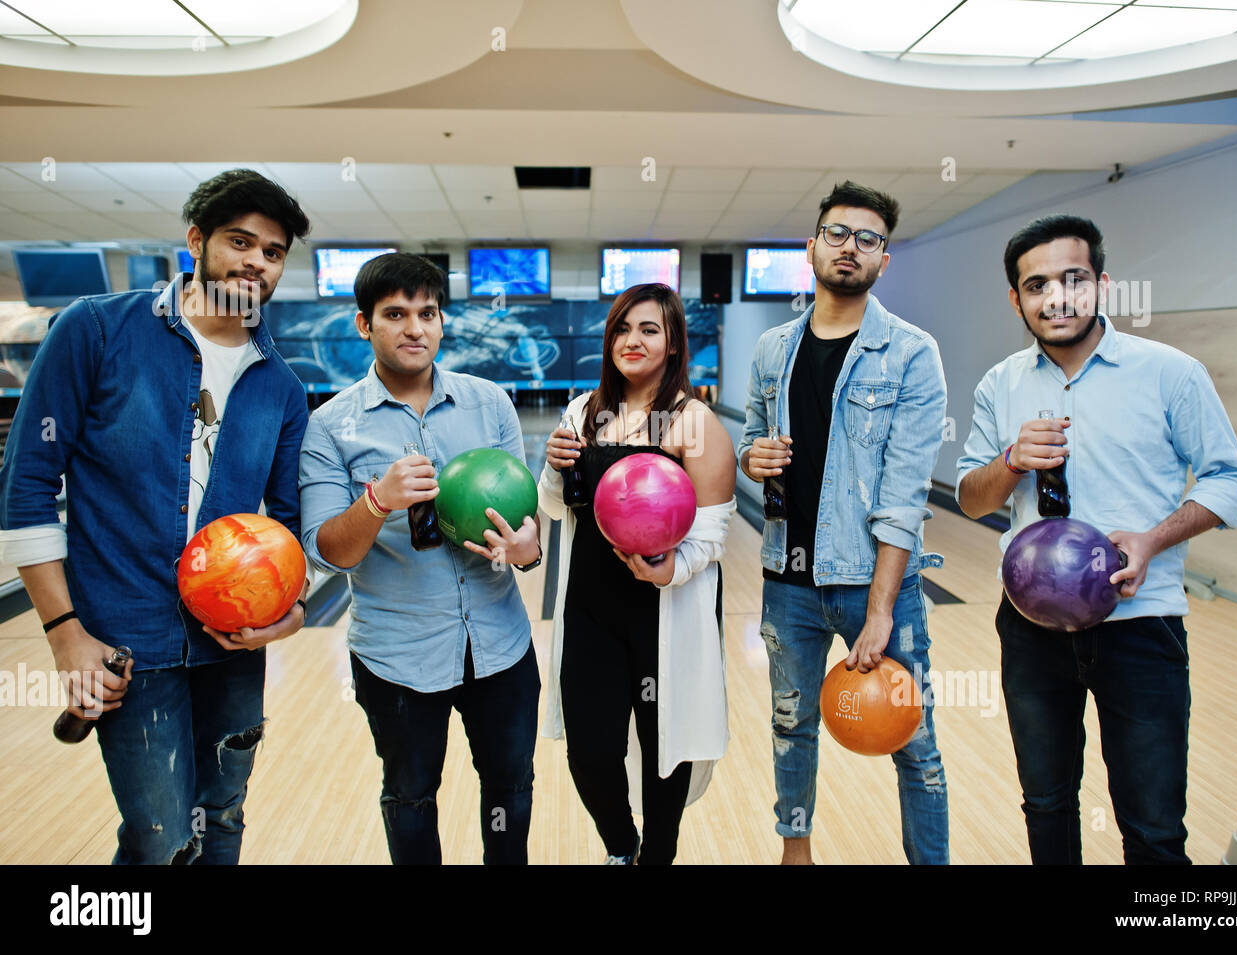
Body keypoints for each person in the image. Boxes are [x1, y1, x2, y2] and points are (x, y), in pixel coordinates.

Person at [0, 168, 312, 864]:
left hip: (232, 647)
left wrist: (289, 615)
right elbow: (26, 485)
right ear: (195, 240)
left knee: (223, 819)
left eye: (273, 251)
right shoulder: (96, 330)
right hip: (126, 644)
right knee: (162, 838)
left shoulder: (282, 388)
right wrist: (64, 634)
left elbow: (288, 525)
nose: (256, 262)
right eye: (240, 241)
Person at [955, 214, 1237, 864]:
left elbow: (1231, 479)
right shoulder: (1000, 384)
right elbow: (971, 498)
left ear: (1102, 284)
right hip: (1032, 629)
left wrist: (1152, 540)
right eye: (1036, 285)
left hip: (1139, 627)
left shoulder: (1170, 373)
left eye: (1073, 279)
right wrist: (1010, 461)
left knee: (1152, 828)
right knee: (1047, 806)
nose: (1056, 297)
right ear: (1016, 299)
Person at [299, 252, 542, 865]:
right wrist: (377, 499)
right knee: (410, 797)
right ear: (364, 324)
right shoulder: (330, 427)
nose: (415, 328)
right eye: (395, 313)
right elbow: (328, 553)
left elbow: (526, 527)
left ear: (442, 321)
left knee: (510, 788)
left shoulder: (490, 404)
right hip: (397, 656)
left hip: (500, 645)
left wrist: (527, 549)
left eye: (427, 313)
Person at [738, 181, 949, 865]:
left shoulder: (912, 353)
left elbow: (904, 492)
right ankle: (795, 852)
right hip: (787, 578)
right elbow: (748, 440)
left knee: (915, 743)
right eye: (837, 232)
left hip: (873, 582)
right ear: (811, 247)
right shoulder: (773, 348)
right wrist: (752, 455)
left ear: (884, 259)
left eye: (868, 238)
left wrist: (882, 610)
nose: (850, 247)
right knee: (790, 723)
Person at [540, 283, 736, 865]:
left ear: (673, 343)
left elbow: (713, 533)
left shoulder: (693, 422)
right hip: (590, 610)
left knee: (664, 748)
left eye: (649, 329)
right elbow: (555, 504)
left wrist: (672, 569)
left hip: (664, 611)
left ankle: (657, 855)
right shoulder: (583, 410)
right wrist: (552, 468)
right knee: (590, 752)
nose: (633, 340)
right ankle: (622, 847)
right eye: (622, 328)